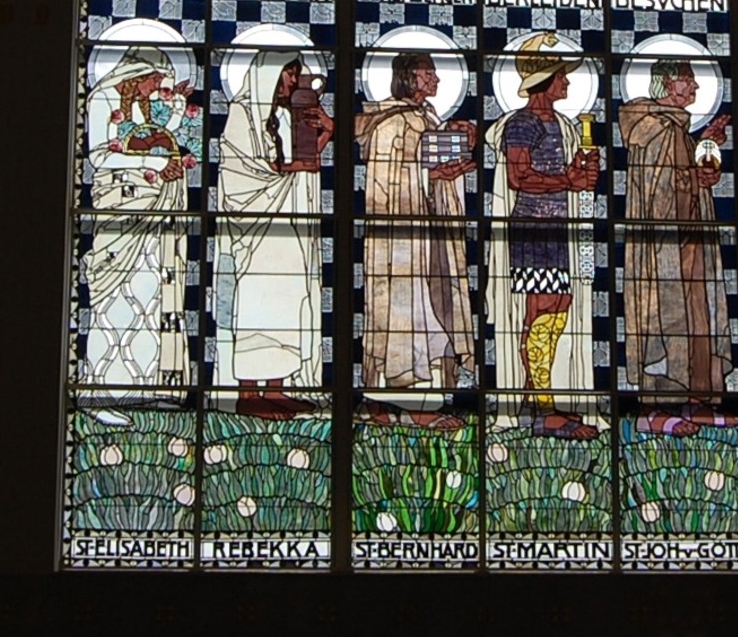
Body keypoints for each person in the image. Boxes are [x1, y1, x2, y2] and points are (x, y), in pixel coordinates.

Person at [356, 51, 477, 425]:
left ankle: (424, 401)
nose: (437, 80)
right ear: (410, 78)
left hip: (429, 237)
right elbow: (393, 181)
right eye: (430, 73)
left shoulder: (426, 119)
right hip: (401, 246)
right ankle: (403, 402)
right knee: (407, 316)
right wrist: (434, 175)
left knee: (434, 311)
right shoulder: (391, 124)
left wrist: (447, 172)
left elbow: (427, 168)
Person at [617, 57, 733, 436]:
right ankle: (658, 410)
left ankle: (698, 400)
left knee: (699, 320)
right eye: (689, 82)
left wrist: (704, 167)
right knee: (662, 323)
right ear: (668, 85)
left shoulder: (679, 132)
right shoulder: (653, 129)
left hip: (690, 243)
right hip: (664, 247)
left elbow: (683, 185)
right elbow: (658, 194)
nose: (696, 89)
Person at [494, 34, 601, 440]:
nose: (568, 85)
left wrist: (580, 170)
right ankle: (542, 409)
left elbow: (560, 174)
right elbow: (517, 177)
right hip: (533, 229)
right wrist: (567, 180)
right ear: (546, 81)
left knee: (558, 306)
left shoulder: (555, 123)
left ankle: (539, 397)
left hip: (557, 228)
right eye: (561, 78)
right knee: (540, 309)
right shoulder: (521, 124)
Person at [214, 50, 329, 419]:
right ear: (268, 77)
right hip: (254, 233)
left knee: (287, 304)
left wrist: (326, 132)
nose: (293, 83)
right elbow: (243, 174)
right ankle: (249, 395)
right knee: (257, 308)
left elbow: (302, 166)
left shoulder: (280, 116)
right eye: (288, 76)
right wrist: (293, 166)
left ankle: (277, 387)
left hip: (286, 229)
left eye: (295, 75)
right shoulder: (241, 115)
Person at [78, 45, 200, 388]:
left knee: (154, 293)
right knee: (115, 295)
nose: (157, 86)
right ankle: (106, 386)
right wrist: (155, 163)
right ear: (137, 75)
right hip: (119, 209)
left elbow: (159, 140)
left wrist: (175, 112)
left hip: (157, 208)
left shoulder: (147, 107)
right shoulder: (102, 99)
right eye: (156, 79)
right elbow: (100, 157)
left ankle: (154, 382)